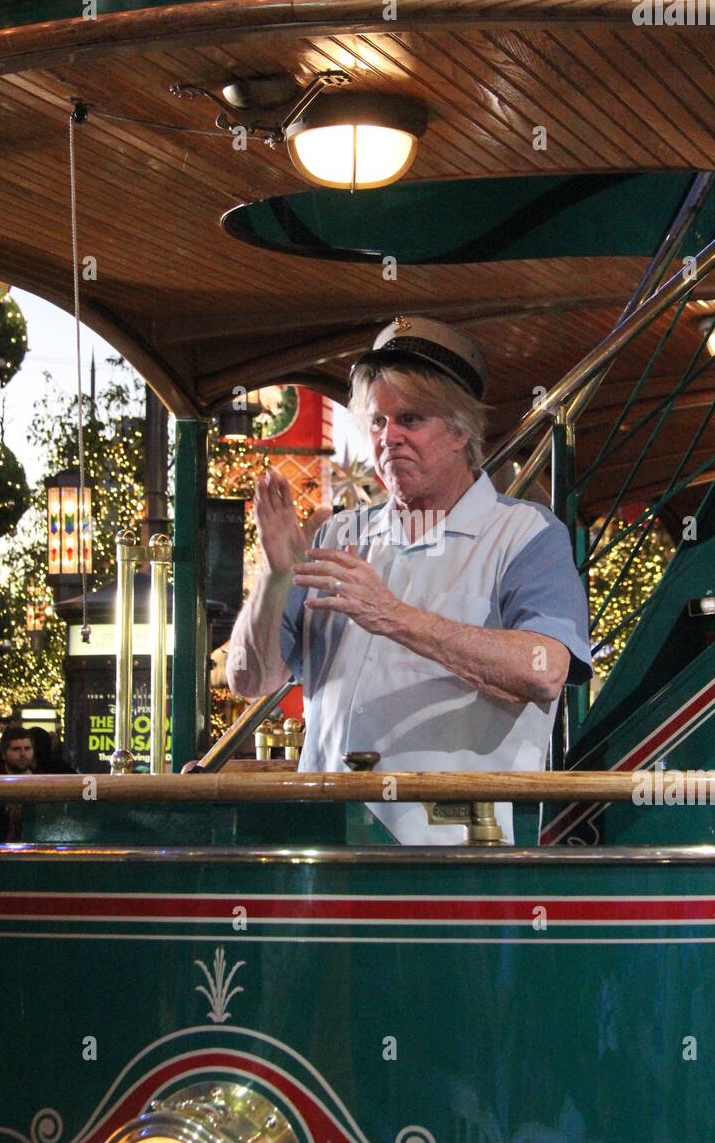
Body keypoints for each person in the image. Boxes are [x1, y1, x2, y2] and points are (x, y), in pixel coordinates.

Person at [227, 315, 592, 844]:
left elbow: (545, 669)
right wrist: (276, 578)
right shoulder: (338, 532)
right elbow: (249, 680)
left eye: (410, 420)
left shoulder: (523, 534)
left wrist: (394, 616)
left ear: (462, 429)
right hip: (325, 849)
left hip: (453, 859)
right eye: (377, 423)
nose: (388, 438)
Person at [0, 723, 35, 842]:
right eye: (16, 749)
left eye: (27, 748)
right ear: (3, 754)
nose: (23, 754)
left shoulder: (44, 782)